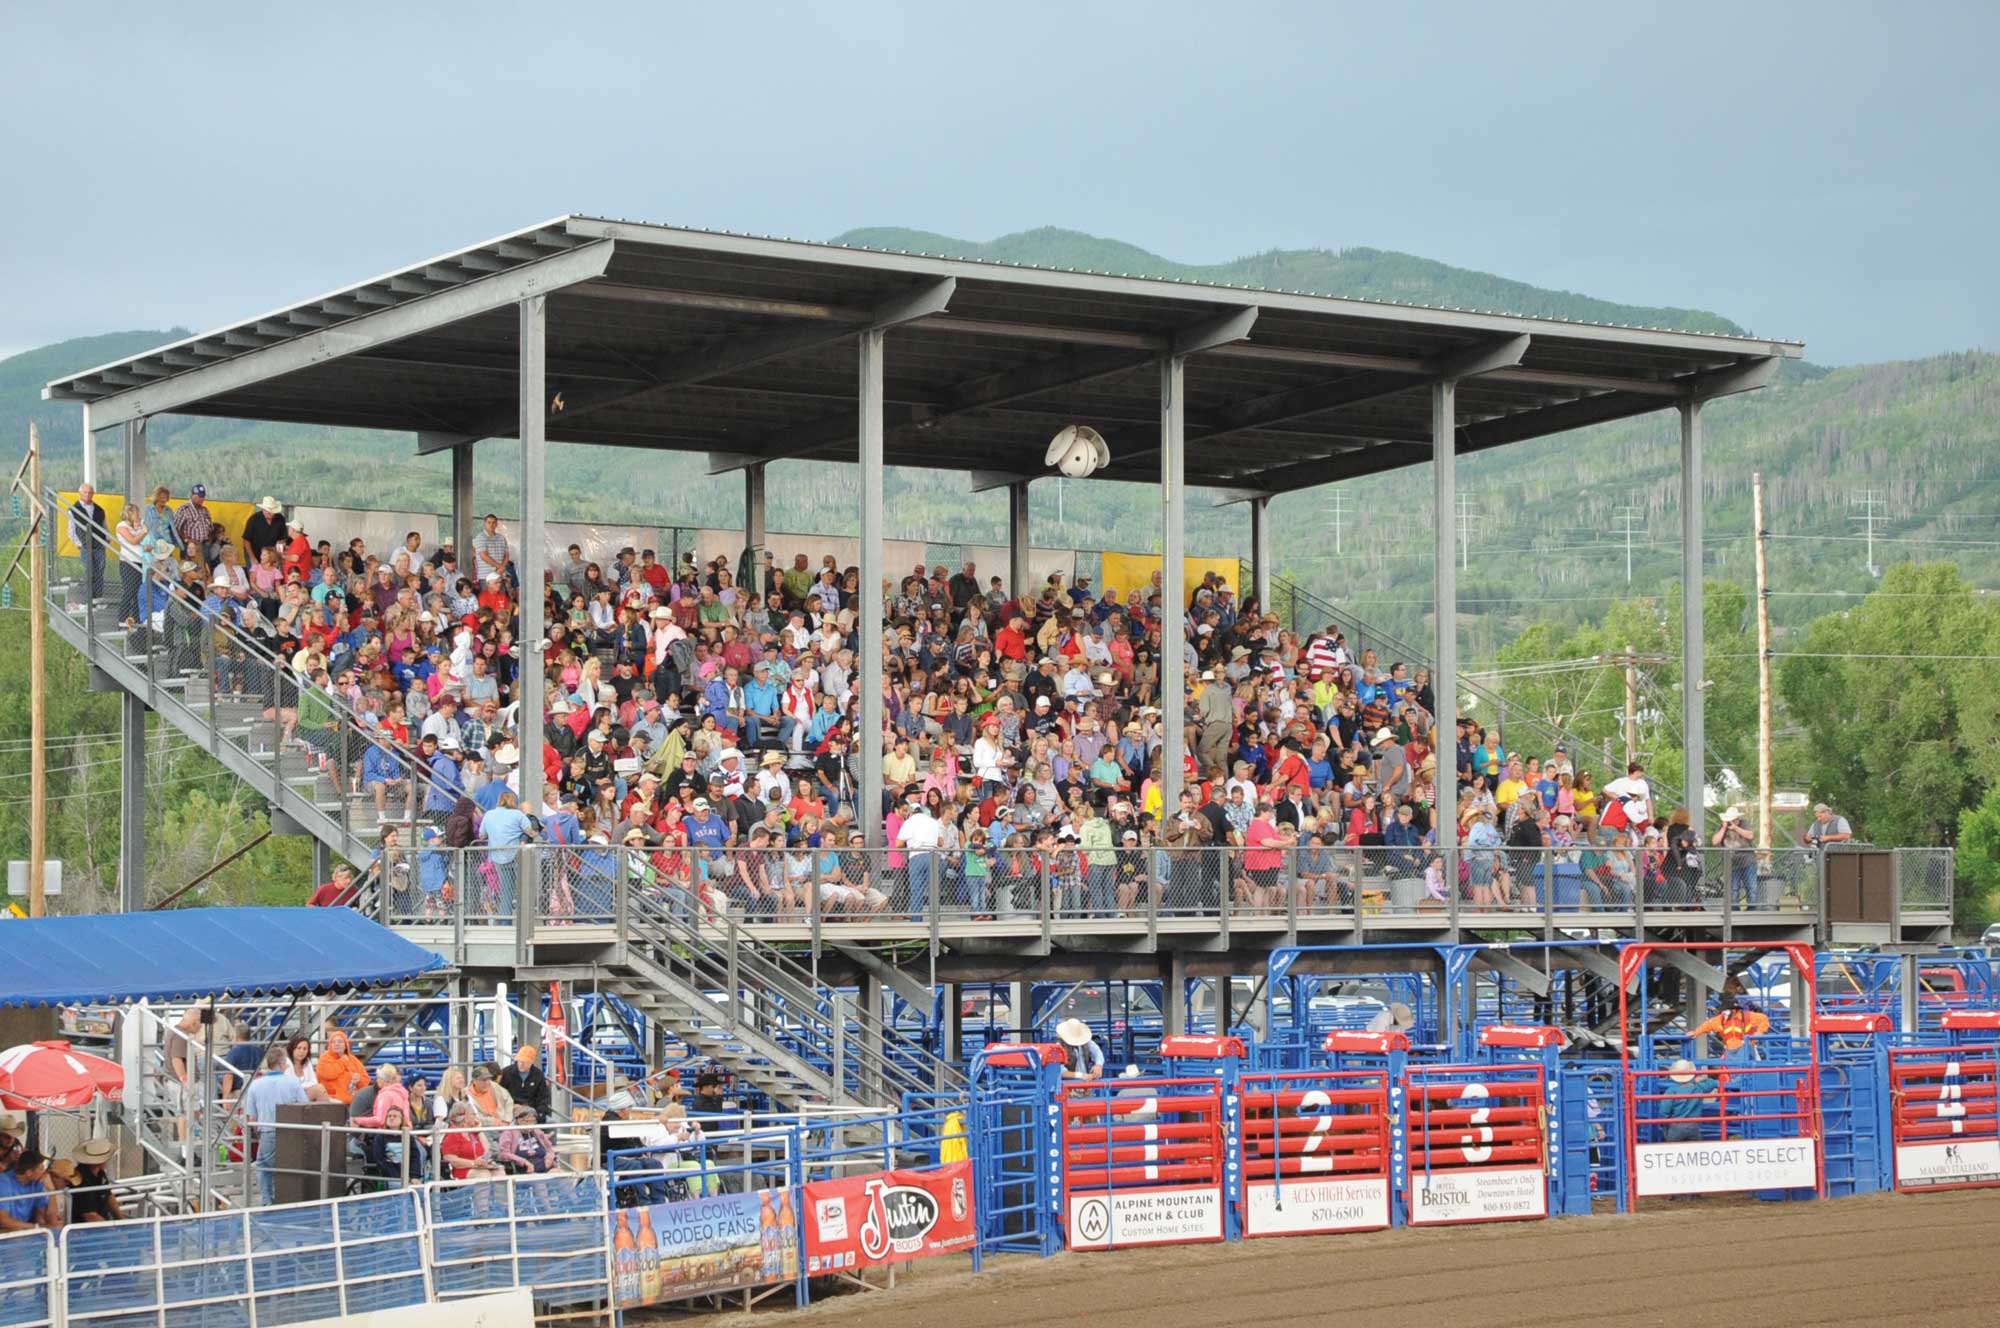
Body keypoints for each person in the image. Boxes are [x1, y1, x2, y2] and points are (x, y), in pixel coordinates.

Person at [242, 1047, 309, 1205]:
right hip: (291, 1132)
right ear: (281, 1063)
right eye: (285, 1062)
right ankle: (290, 1199)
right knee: (291, 1165)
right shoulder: (293, 1083)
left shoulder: (255, 1085)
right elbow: (305, 1107)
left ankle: (267, 1200)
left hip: (267, 1131)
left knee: (264, 1166)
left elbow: (251, 1116)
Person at [1689, 993, 1771, 1064]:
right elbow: (1707, 1025)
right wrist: (1695, 1033)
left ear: (1734, 1010)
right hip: (1730, 1052)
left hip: (1747, 1050)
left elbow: (1764, 1019)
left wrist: (1758, 1034)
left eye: (1726, 1010)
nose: (1723, 1012)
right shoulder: (1721, 1019)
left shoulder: (1748, 1016)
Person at [1656, 1060, 1716, 1142]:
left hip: (1676, 1125)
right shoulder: (1698, 1088)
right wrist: (1700, 1079)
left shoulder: (1671, 1091)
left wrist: (1664, 1123)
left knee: (1672, 1149)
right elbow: (1712, 1083)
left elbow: (1664, 1111)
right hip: (1694, 1125)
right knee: (1694, 1150)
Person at [68, 483, 109, 603]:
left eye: (90, 492)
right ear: (80, 493)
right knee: (89, 572)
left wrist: (106, 539)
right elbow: (71, 530)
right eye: (85, 492)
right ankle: (88, 600)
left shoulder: (99, 509)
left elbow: (104, 526)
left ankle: (98, 598)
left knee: (99, 572)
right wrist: (79, 543)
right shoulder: (73, 510)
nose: (88, 495)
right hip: (86, 546)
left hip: (99, 545)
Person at [1713, 805, 1758, 910]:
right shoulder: (1722, 827)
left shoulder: (1744, 824)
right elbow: (1715, 841)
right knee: (1733, 889)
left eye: (1733, 820)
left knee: (1751, 888)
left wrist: (1736, 828)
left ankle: (1751, 911)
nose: (1731, 822)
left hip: (1748, 861)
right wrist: (1724, 828)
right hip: (1731, 863)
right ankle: (1734, 912)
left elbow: (1750, 835)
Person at [70, 1138, 125, 1222]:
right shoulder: (81, 1181)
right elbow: (90, 1216)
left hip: (101, 1224)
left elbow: (109, 1196)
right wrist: (112, 1230)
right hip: (86, 1229)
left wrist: (122, 1221)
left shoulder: (100, 1174)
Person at [315, 1028, 370, 1105]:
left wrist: (359, 1079)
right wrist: (342, 1061)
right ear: (330, 1045)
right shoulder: (324, 1058)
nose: (336, 1044)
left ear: (346, 1045)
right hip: (332, 1097)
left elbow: (366, 1080)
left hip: (353, 1098)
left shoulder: (353, 1059)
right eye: (333, 1042)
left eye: (340, 1041)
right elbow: (328, 1074)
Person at [495, 1105, 556, 1174]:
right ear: (519, 1121)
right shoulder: (509, 1133)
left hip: (544, 1165)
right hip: (524, 1169)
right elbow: (504, 1153)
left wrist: (549, 1158)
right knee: (539, 1182)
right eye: (527, 1121)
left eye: (533, 1121)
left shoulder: (537, 1131)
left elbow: (549, 1149)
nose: (531, 1124)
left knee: (559, 1174)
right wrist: (524, 1162)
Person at [499, 1045, 553, 1122]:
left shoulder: (538, 1075)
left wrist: (537, 1113)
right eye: (519, 1061)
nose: (521, 1064)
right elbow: (499, 1095)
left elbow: (544, 1097)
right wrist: (511, 1106)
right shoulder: (506, 1073)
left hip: (532, 1111)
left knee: (551, 1123)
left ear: (532, 1062)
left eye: (525, 1061)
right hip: (510, 1111)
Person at [0, 1152, 49, 1231]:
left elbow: (44, 1217)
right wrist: (35, 1227)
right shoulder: (3, 1181)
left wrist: (52, 1190)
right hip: (5, 1230)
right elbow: (4, 1221)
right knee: (16, 1230)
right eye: (41, 1168)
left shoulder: (38, 1182)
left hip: (24, 1228)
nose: (44, 1171)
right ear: (29, 1173)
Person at [1055, 1018, 1105, 1082]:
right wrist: (1081, 1075)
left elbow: (1097, 1053)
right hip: (1067, 1084)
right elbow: (1060, 1071)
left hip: (1085, 1083)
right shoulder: (1058, 1047)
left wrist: (1099, 1065)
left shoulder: (1086, 1042)